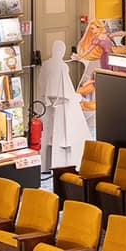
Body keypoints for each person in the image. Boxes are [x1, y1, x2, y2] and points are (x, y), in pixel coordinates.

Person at [40, 37, 90, 172]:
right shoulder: (62, 66)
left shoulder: (46, 64)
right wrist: (77, 97)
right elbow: (66, 91)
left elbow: (43, 85)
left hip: (48, 104)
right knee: (77, 123)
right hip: (62, 106)